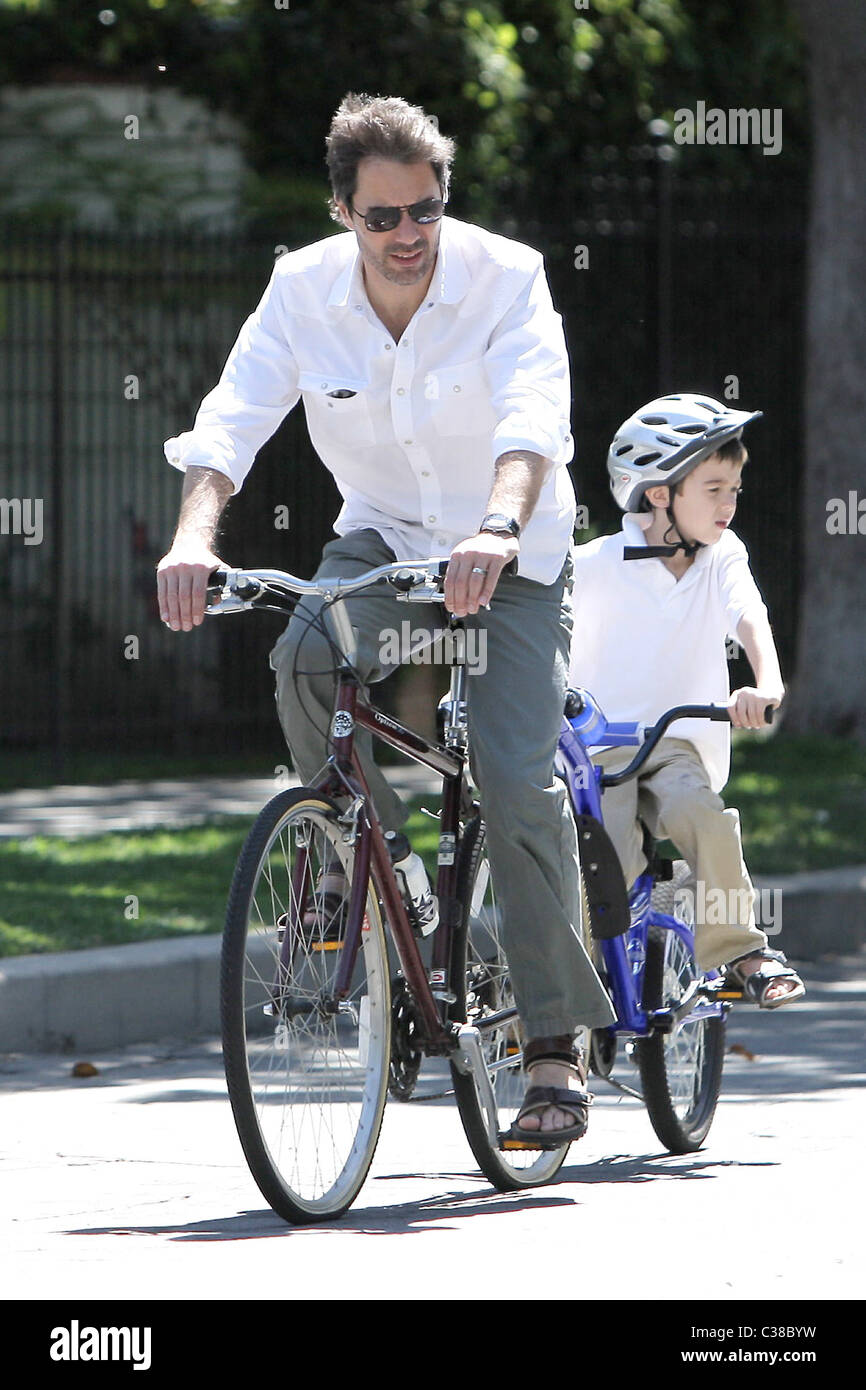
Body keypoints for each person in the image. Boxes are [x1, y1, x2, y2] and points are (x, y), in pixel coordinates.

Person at [157, 92, 615, 1144]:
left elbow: (532, 418)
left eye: (426, 209)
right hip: (384, 537)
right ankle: (366, 864)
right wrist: (192, 540)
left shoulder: (506, 276)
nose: (409, 234)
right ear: (341, 213)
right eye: (383, 216)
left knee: (513, 778)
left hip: (510, 551)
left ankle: (552, 1043)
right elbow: (230, 420)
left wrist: (497, 525)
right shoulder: (301, 290)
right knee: (302, 660)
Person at [569, 393, 805, 1007]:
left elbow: (748, 614)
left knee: (701, 814)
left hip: (676, 742)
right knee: (603, 865)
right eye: (714, 489)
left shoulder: (722, 556)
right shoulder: (592, 564)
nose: (729, 504)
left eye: (735, 490)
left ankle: (741, 951)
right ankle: (585, 991)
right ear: (658, 494)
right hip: (601, 748)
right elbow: (544, 635)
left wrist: (767, 682)